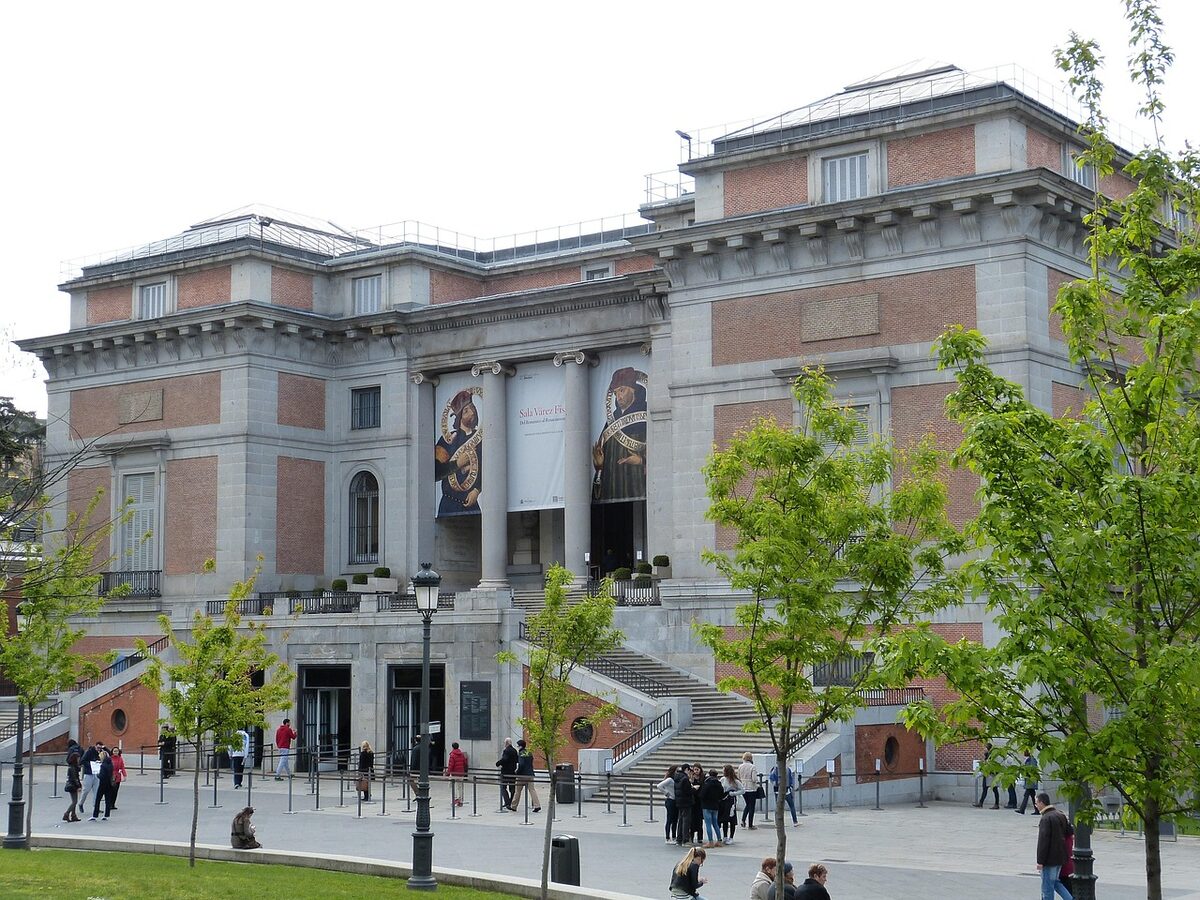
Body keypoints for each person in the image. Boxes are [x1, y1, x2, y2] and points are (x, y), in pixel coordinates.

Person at [592, 366, 647, 502]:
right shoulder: (613, 419)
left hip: (637, 483)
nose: (619, 397)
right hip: (613, 487)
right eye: (616, 393)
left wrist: (642, 461)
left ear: (633, 390)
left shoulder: (646, 413)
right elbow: (603, 454)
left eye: (622, 390)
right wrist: (600, 466)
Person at [435, 388, 482, 515]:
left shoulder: (481, 440)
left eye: (473, 408)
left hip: (472, 504)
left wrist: (477, 490)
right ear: (459, 417)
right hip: (449, 504)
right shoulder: (447, 439)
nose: (472, 412)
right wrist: (457, 464)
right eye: (466, 410)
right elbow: (435, 472)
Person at [1034, 792, 1073, 900]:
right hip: (1060, 857)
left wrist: (1040, 861)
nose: (1035, 805)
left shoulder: (1046, 818)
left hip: (1049, 859)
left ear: (1042, 802)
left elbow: (1043, 842)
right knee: (1055, 882)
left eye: (1036, 802)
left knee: (1047, 887)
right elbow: (1070, 832)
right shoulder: (1060, 814)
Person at [510, 738, 542, 812]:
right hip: (530, 774)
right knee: (532, 790)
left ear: (521, 746)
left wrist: (517, 772)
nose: (517, 747)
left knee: (518, 791)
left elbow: (521, 764)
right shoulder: (529, 753)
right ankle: (537, 805)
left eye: (518, 746)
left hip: (522, 775)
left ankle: (514, 806)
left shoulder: (521, 754)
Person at [699, 768, 724, 847]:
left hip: (707, 805)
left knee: (708, 824)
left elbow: (702, 795)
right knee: (715, 823)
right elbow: (721, 795)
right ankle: (719, 840)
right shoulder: (719, 784)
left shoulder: (707, 783)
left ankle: (710, 841)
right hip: (715, 805)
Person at [673, 762, 695, 847]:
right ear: (686, 769)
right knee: (686, 820)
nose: (690, 772)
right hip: (686, 802)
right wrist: (694, 789)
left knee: (681, 820)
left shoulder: (677, 777)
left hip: (679, 801)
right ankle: (685, 839)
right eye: (689, 770)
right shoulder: (685, 779)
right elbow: (688, 791)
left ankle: (679, 839)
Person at [78, 740, 103, 815]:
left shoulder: (101, 753)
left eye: (100, 748)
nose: (99, 749)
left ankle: (96, 807)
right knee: (86, 791)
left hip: (97, 774)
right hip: (88, 773)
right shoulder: (89, 752)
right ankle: (80, 803)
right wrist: (91, 765)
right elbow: (82, 761)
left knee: (97, 791)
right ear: (95, 746)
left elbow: (107, 757)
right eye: (98, 747)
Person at [655, 765, 678, 844]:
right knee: (670, 819)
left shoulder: (674, 779)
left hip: (675, 800)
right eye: (676, 771)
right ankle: (668, 837)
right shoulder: (669, 779)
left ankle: (674, 836)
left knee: (675, 820)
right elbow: (659, 786)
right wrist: (666, 793)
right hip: (670, 800)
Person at [90, 749, 115, 821]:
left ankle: (95, 815)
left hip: (102, 784)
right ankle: (106, 815)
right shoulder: (110, 764)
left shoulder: (103, 765)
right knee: (107, 800)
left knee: (98, 799)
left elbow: (102, 776)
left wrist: (97, 775)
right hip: (109, 784)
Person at [737, 751, 759, 829]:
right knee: (751, 806)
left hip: (743, 788)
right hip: (751, 788)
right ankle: (750, 824)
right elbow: (754, 779)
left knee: (747, 804)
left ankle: (743, 820)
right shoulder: (752, 767)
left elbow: (738, 777)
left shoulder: (740, 766)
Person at [975, 742, 1000, 809]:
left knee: (995, 790)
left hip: (992, 775)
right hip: (986, 775)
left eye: (985, 748)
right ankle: (981, 803)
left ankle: (997, 804)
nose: (984, 749)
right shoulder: (987, 755)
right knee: (985, 789)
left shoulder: (992, 756)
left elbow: (991, 765)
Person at [719, 764, 740, 845]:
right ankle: (724, 836)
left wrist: (733, 793)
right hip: (724, 801)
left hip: (731, 801)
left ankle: (731, 837)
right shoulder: (722, 779)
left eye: (724, 770)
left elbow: (742, 790)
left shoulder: (735, 781)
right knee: (725, 819)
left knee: (732, 819)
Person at [495, 737, 518, 811]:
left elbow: (504, 759)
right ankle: (511, 802)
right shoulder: (514, 750)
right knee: (512, 788)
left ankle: (507, 802)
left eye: (505, 743)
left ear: (507, 743)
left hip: (505, 772)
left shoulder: (506, 750)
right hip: (513, 772)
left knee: (503, 787)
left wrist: (498, 763)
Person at [444, 741, 469, 807]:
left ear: (452, 747)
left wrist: (447, 773)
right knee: (460, 787)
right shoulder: (462, 754)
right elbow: (465, 764)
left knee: (451, 786)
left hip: (454, 774)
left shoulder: (452, 755)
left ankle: (455, 798)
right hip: (461, 773)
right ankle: (460, 800)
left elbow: (450, 765)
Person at [1016, 750, 1040, 814]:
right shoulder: (1029, 759)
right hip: (1030, 780)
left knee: (1026, 795)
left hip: (1031, 780)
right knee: (1032, 796)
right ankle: (1037, 810)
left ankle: (1022, 809)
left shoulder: (1031, 760)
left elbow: (1032, 769)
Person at [62, 751, 82, 823]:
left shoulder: (72, 767)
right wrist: (79, 785)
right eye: (78, 758)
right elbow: (75, 778)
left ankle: (73, 815)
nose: (79, 760)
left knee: (74, 801)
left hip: (72, 785)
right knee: (74, 801)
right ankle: (67, 813)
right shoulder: (73, 768)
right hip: (73, 785)